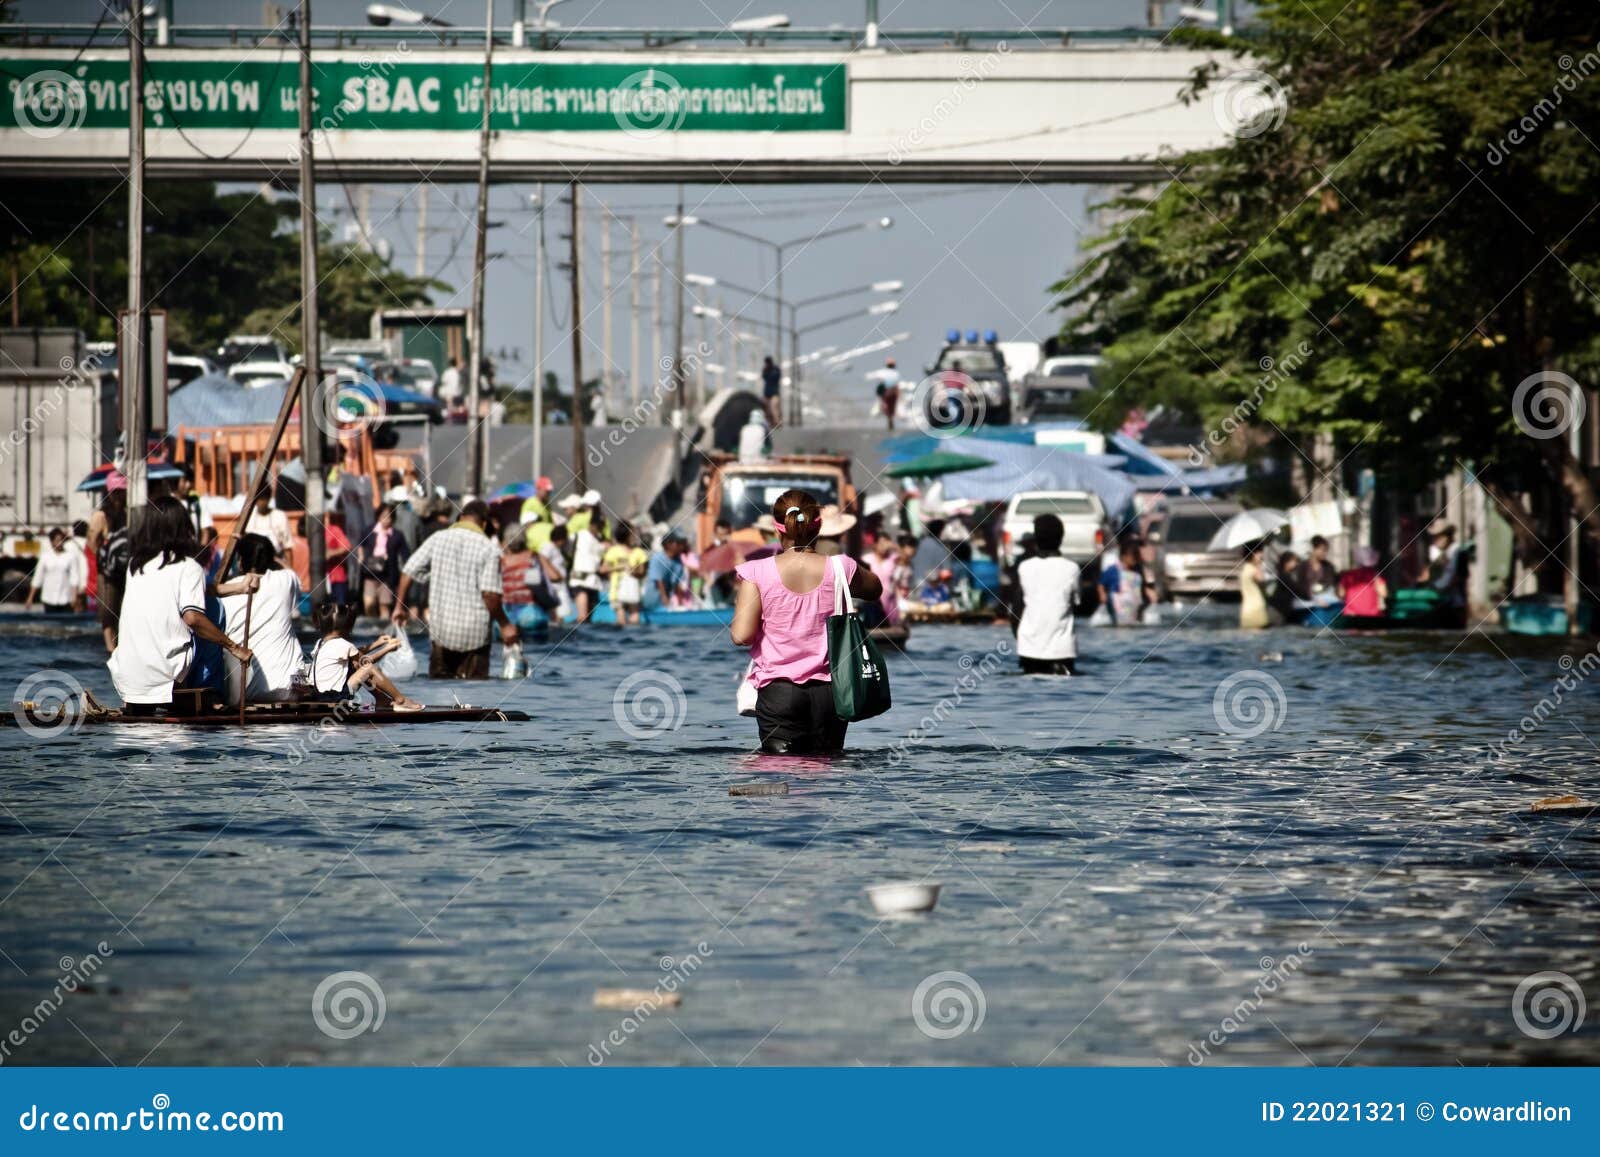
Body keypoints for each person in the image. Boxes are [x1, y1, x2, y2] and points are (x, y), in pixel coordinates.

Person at [731, 489, 882, 755]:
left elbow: (741, 636)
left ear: (778, 530)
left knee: (781, 776)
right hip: (832, 692)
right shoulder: (840, 568)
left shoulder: (756, 572)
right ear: (819, 526)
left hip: (779, 693)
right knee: (827, 773)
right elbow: (875, 590)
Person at [107, 496, 254, 714]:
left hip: (127, 679)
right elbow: (193, 618)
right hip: (167, 677)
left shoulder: (135, 566)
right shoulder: (188, 566)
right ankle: (210, 692)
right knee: (214, 609)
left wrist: (239, 587)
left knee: (202, 604)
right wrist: (235, 648)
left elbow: (196, 587)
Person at [392, 499, 518, 679]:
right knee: (475, 697)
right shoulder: (489, 548)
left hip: (441, 631)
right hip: (475, 634)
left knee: (440, 692)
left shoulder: (438, 538)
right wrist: (505, 625)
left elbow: (408, 571)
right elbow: (489, 595)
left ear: (460, 518)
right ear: (483, 523)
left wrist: (399, 607)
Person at [220, 533, 304, 704]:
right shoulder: (287, 580)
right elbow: (285, 566)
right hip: (290, 689)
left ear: (241, 561)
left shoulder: (224, 592)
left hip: (246, 691)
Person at [310, 603, 422, 710]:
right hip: (336, 696)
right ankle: (400, 699)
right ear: (348, 627)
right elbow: (364, 661)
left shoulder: (321, 643)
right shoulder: (343, 644)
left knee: (358, 667)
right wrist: (387, 649)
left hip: (320, 695)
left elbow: (353, 654)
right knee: (368, 668)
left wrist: (376, 644)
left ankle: (382, 700)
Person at [1014, 514, 1081, 675]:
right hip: (1062, 651)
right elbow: (1077, 604)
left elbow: (1015, 610)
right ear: (1062, 538)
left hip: (1029, 650)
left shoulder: (1024, 567)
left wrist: (1025, 640)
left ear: (1035, 539)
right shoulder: (1072, 568)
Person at [88, 475, 129, 651]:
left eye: (122, 492)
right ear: (108, 493)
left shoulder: (129, 513)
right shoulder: (101, 515)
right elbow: (92, 542)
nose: (119, 496)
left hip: (125, 567)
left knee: (123, 608)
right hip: (107, 570)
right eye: (115, 492)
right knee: (108, 609)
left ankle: (121, 644)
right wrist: (106, 552)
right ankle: (110, 647)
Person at [360, 503, 411, 619]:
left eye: (389, 517)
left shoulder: (397, 535)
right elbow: (361, 546)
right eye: (383, 516)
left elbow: (405, 553)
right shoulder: (369, 531)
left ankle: (383, 630)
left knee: (384, 605)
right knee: (369, 603)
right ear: (378, 516)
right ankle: (371, 625)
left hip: (387, 577)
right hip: (370, 573)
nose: (386, 520)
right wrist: (361, 558)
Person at [25, 527, 85, 613]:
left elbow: (74, 578)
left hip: (66, 599)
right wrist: (30, 598)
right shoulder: (45, 557)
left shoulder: (71, 556)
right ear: (52, 542)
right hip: (49, 599)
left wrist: (74, 597)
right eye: (57, 540)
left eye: (61, 540)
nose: (60, 543)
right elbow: (38, 578)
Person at [601, 524, 649, 627]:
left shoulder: (639, 552)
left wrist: (633, 571)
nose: (635, 536)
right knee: (621, 620)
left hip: (634, 592)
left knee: (635, 621)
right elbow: (603, 569)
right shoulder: (613, 551)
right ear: (626, 535)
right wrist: (619, 567)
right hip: (616, 593)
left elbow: (642, 573)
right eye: (633, 534)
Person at [569, 503, 608, 623]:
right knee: (583, 617)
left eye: (601, 527)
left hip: (593, 582)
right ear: (591, 525)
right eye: (597, 526)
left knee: (588, 619)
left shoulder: (601, 542)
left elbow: (601, 564)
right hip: (579, 580)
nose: (598, 529)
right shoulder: (578, 535)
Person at [1099, 542, 1148, 625]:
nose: (1135, 560)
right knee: (1120, 624)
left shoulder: (1137, 571)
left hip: (1133, 603)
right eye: (1133, 557)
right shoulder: (1113, 570)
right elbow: (1101, 583)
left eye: (1137, 557)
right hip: (1117, 603)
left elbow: (1141, 588)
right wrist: (1102, 594)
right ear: (1123, 556)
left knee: (1133, 623)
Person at [243, 492, 295, 566]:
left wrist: (290, 570)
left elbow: (287, 547)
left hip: (275, 563)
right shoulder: (248, 516)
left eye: (263, 499)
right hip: (253, 565)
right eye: (258, 499)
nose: (260, 503)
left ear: (268, 498)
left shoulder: (279, 516)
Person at [1339, 545, 1388, 619]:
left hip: (1351, 615)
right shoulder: (1376, 576)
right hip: (1371, 615)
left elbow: (1341, 594)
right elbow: (1384, 593)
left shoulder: (1348, 575)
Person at [538, 523, 575, 623]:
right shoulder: (548, 546)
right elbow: (542, 559)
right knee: (556, 613)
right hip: (554, 585)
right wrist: (555, 574)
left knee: (562, 613)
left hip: (559, 584)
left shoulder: (557, 549)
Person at [644, 533, 689, 611]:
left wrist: (681, 604)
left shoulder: (678, 562)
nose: (682, 546)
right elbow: (659, 581)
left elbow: (676, 584)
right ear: (669, 544)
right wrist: (665, 600)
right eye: (679, 543)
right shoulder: (657, 558)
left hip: (666, 604)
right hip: (653, 603)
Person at [1239, 544, 1276, 629]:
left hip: (1247, 609)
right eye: (1259, 552)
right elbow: (1261, 580)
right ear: (1252, 553)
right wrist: (1259, 564)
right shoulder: (1253, 569)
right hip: (1256, 609)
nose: (1262, 555)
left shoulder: (1245, 568)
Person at [324, 509, 354, 606]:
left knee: (340, 609)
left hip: (336, 577)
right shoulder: (313, 532)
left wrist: (331, 553)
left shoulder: (334, 529)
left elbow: (347, 546)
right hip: (319, 579)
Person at [875, 357, 901, 430]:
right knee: (891, 407)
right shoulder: (895, 373)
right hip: (892, 392)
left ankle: (889, 419)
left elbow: (881, 381)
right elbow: (896, 385)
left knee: (888, 406)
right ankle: (890, 419)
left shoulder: (884, 372)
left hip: (887, 392)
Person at [760, 355, 782, 425]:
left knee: (774, 407)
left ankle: (777, 422)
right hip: (767, 393)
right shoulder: (765, 370)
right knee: (765, 408)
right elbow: (764, 377)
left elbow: (775, 377)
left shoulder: (775, 369)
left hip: (774, 392)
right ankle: (769, 422)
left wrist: (769, 372)